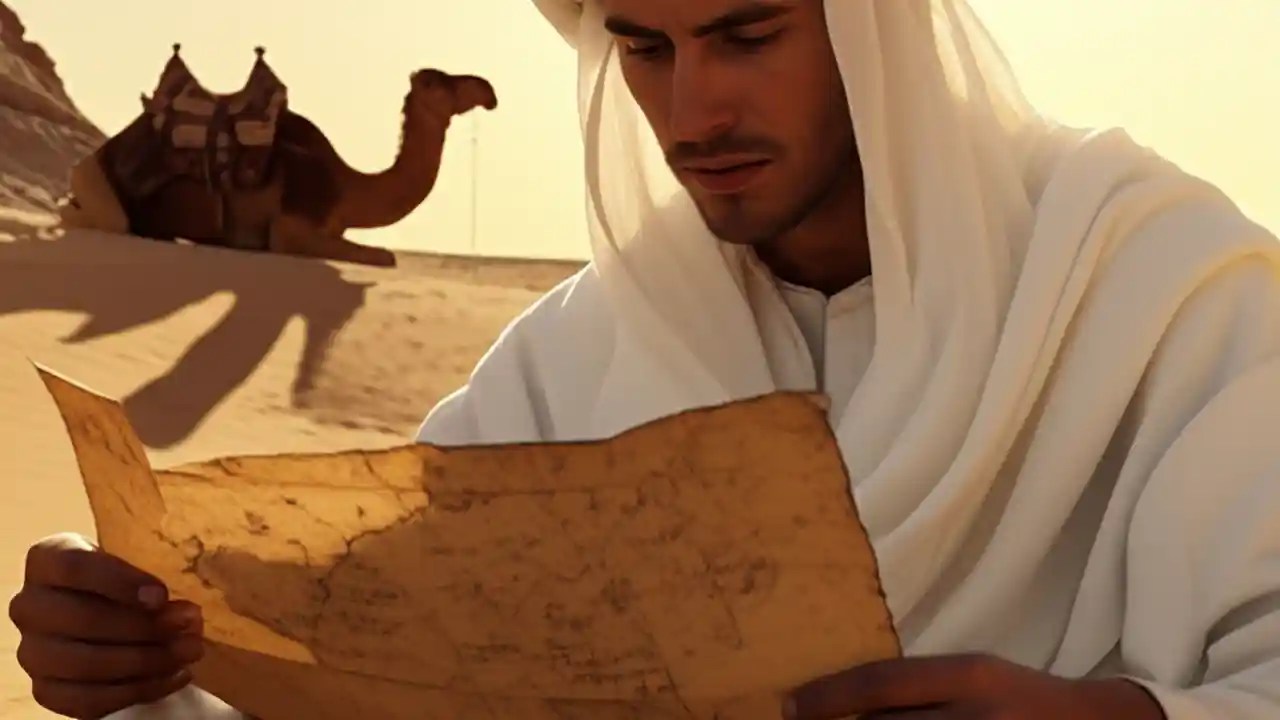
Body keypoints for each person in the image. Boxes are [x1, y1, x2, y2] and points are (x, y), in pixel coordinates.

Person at [10, 0, 1280, 717]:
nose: (690, 115)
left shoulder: (1157, 292)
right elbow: (368, 686)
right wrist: (137, 667)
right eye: (643, 47)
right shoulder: (572, 366)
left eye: (745, 34)